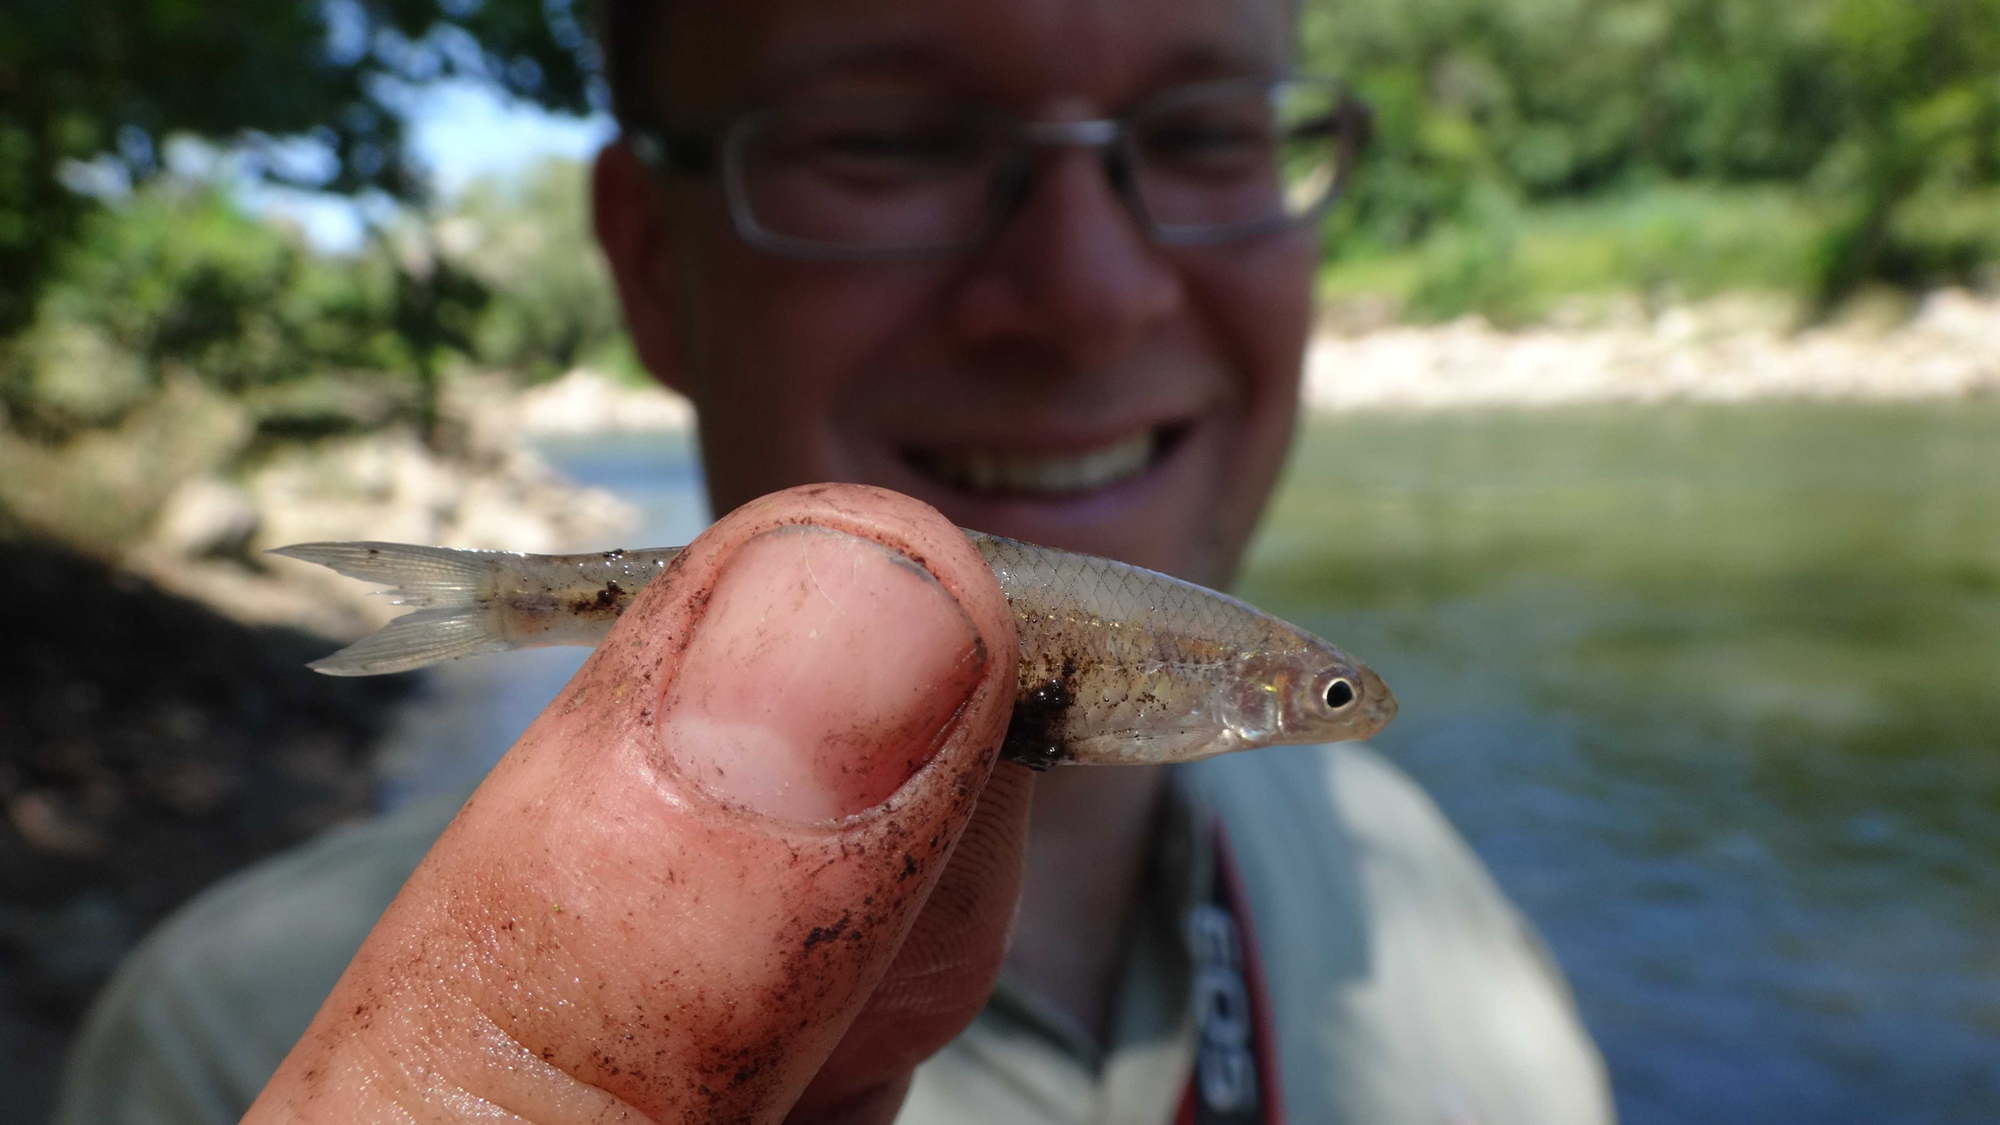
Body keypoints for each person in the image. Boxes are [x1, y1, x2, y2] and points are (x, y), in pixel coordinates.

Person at [54, 0, 1619, 1121]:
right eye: (887, 140)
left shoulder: (1440, 918)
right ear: (648, 259)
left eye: (1207, 133)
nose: (1087, 298)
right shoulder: (232, 1039)